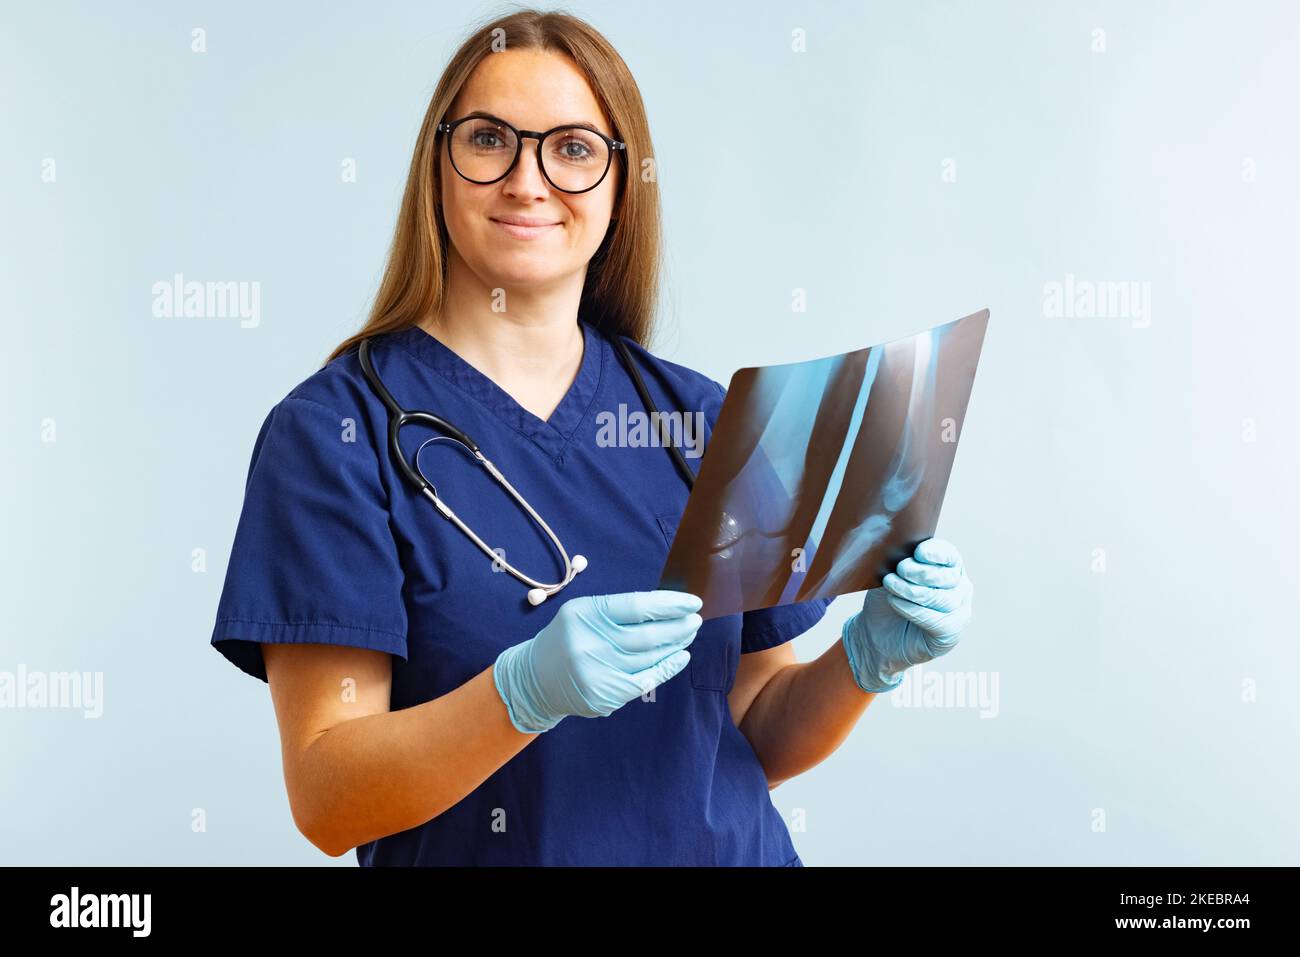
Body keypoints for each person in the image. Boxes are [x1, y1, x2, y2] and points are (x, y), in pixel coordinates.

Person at [208, 8, 975, 866]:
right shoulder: (334, 437)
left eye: (572, 148)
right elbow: (327, 798)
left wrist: (865, 659)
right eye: (490, 138)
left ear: (621, 181)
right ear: (438, 164)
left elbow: (758, 728)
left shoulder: (701, 421)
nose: (527, 182)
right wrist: (520, 694)